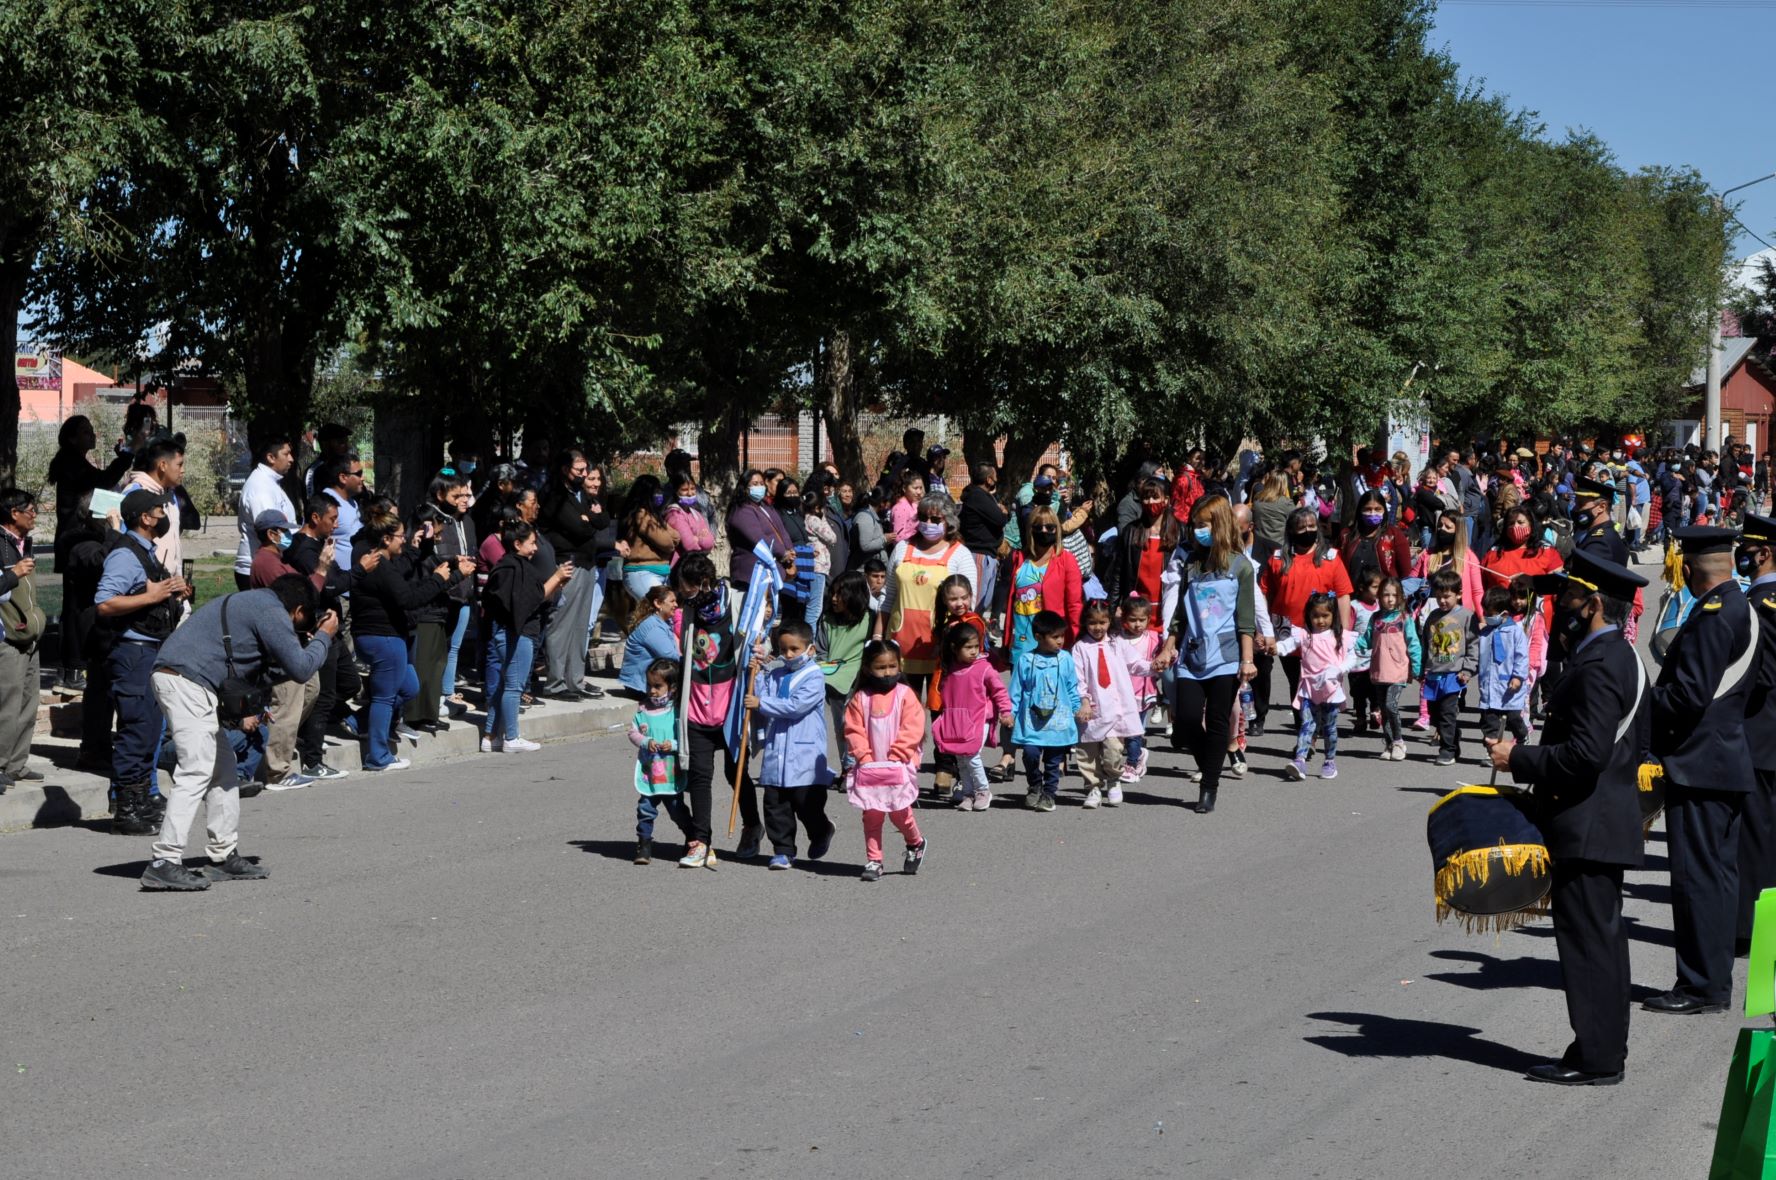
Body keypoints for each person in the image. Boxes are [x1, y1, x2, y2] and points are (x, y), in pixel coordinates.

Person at [1485, 549, 1650, 1085]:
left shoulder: (1600, 665)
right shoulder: (1617, 655)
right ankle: (1598, 1047)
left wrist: (1519, 759)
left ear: (1594, 604)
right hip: (1599, 819)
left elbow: (1586, 755)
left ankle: (1598, 1058)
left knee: (1588, 945)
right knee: (1599, 942)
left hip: (1587, 823)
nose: (1562, 607)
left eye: (1570, 596)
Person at [139, 576, 337, 891]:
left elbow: (275, 669)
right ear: (298, 610)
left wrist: (303, 646)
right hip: (187, 681)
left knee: (223, 769)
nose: (297, 629)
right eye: (302, 621)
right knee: (196, 769)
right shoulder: (271, 611)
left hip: (184, 679)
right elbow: (301, 669)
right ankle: (164, 861)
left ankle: (222, 856)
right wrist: (324, 637)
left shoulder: (256, 603)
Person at [1644, 526, 1759, 1016]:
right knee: (1717, 878)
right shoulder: (1739, 605)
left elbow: (1688, 695)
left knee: (1697, 881)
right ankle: (1709, 980)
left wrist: (1641, 704)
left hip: (1700, 766)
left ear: (1689, 569)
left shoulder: (1714, 615)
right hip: (1721, 760)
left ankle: (1702, 986)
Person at [93, 489, 188, 833]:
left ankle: (142, 800)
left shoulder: (145, 552)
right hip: (133, 653)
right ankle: (126, 808)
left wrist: (170, 593)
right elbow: (105, 603)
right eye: (160, 511)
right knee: (136, 730)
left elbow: (147, 594)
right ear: (145, 518)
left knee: (149, 730)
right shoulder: (125, 554)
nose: (164, 516)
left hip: (151, 650)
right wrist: (152, 596)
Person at [1156, 494, 1257, 813]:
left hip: (1226, 657)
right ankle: (1211, 762)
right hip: (1192, 654)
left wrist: (1247, 660)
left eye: (1204, 524)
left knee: (1217, 721)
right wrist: (1169, 646)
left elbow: (1246, 619)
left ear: (1221, 524)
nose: (1198, 531)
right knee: (1186, 720)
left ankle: (1209, 787)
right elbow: (1180, 614)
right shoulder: (1191, 564)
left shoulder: (1241, 567)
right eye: (1195, 525)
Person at [352, 513, 465, 770]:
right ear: (386, 538)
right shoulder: (379, 565)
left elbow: (405, 582)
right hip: (383, 637)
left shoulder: (384, 562)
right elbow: (409, 599)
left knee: (409, 687)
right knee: (384, 698)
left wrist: (432, 562)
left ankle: (359, 721)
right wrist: (438, 579)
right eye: (400, 536)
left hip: (385, 636)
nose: (404, 540)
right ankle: (378, 756)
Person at [46, 414, 133, 690]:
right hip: (78, 542)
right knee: (78, 607)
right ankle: (74, 668)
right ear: (72, 438)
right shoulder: (72, 463)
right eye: (86, 432)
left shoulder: (73, 461)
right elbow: (103, 480)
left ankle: (68, 669)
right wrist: (125, 457)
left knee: (73, 606)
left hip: (72, 539)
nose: (92, 435)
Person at [246, 508, 330, 789]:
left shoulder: (278, 560)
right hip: (279, 644)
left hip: (294, 639)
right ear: (271, 534)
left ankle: (276, 743)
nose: (288, 536)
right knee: (286, 702)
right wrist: (321, 570)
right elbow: (299, 596)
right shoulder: (265, 563)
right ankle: (277, 771)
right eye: (283, 531)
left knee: (310, 689)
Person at [746, 620, 836, 870]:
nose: (788, 654)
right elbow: (763, 696)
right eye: (783, 649)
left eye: (794, 649)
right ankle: (783, 850)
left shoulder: (814, 676)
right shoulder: (776, 674)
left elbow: (795, 706)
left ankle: (821, 831)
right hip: (778, 752)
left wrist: (761, 703)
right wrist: (758, 673)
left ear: (810, 649)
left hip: (804, 755)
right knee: (776, 805)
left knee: (807, 805)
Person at [481, 522, 574, 754]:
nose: (535, 548)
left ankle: (490, 736)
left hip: (506, 633)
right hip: (517, 634)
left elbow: (532, 598)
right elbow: (533, 598)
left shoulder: (506, 566)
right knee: (514, 686)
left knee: (504, 685)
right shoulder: (515, 568)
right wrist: (557, 577)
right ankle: (512, 737)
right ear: (517, 544)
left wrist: (557, 582)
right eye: (531, 543)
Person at [844, 640, 929, 881]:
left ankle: (915, 842)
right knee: (871, 815)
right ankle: (874, 860)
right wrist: (863, 756)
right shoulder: (861, 698)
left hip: (898, 765)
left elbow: (913, 727)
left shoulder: (905, 695)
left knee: (900, 812)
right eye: (881, 668)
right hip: (870, 766)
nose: (888, 672)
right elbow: (853, 729)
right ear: (868, 668)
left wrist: (898, 754)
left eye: (892, 666)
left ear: (899, 665)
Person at [1263, 506, 1354, 712]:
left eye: (1312, 526)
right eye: (1302, 527)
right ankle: (1303, 725)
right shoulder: (1277, 559)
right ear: (1291, 531)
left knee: (1321, 680)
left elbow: (1343, 595)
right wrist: (1264, 628)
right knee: (1296, 682)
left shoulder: (1331, 558)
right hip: (1287, 631)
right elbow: (1265, 594)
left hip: (1322, 632)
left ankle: (1320, 722)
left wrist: (1344, 632)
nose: (1307, 531)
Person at [407, 473, 478, 731]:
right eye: (456, 495)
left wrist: (456, 565)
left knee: (437, 661)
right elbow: (431, 573)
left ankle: (430, 712)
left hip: (443, 607)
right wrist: (456, 571)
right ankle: (416, 715)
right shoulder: (420, 547)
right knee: (424, 664)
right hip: (428, 610)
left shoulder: (462, 523)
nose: (439, 533)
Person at [880, 495, 975, 681]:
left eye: (935, 519)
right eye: (923, 517)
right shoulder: (901, 548)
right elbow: (888, 596)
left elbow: (968, 606)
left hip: (943, 649)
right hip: (900, 648)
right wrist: (877, 636)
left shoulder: (961, 555)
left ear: (949, 521)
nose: (928, 523)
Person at [539, 452, 610, 699]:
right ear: (564, 469)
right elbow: (579, 528)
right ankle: (555, 683)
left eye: (585, 469)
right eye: (579, 470)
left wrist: (590, 518)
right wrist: (590, 520)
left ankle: (575, 680)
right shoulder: (556, 495)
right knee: (562, 624)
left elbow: (603, 520)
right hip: (567, 563)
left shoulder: (583, 494)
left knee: (580, 625)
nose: (584, 474)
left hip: (588, 564)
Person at [1737, 514, 1776, 954]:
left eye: (1745, 551)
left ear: (1764, 553)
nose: (1740, 558)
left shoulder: (1763, 604)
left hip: (1760, 734)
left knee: (1756, 841)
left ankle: (1752, 932)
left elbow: (1760, 675)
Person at [1009, 610, 1090, 812]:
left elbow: (1071, 687)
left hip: (1058, 721)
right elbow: (1016, 689)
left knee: (1053, 761)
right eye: (1055, 637)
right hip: (1032, 721)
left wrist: (1078, 709)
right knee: (1030, 754)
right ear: (1038, 637)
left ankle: (1049, 794)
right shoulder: (1026, 660)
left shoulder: (1065, 659)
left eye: (1062, 636)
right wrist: (1009, 712)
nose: (1060, 641)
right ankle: (1035, 785)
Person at [930, 622, 1011, 811]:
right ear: (954, 648)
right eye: (968, 647)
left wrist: (1005, 712)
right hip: (956, 721)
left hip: (979, 719)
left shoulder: (984, 668)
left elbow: (999, 691)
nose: (974, 651)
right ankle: (967, 793)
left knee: (972, 756)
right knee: (960, 760)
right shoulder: (949, 668)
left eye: (976, 646)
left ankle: (983, 790)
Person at [1071, 600, 1144, 809]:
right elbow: (1077, 679)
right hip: (1091, 709)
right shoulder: (1080, 648)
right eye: (1092, 623)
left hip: (1114, 709)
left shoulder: (1117, 643)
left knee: (1113, 750)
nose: (1098, 627)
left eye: (1102, 622)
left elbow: (1136, 664)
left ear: (1110, 621)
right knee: (1087, 753)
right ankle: (1093, 787)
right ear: (1085, 623)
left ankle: (1113, 779)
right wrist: (1084, 701)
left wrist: (1154, 665)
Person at [1276, 593, 1355, 780]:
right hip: (1309, 689)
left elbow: (1352, 658)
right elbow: (1287, 645)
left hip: (1331, 690)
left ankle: (1329, 761)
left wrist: (1339, 669)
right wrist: (1274, 647)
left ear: (1333, 615)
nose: (1320, 620)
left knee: (1329, 728)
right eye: (1315, 616)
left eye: (1325, 616)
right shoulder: (1304, 634)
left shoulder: (1341, 636)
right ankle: (1300, 760)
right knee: (1307, 725)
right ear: (1308, 616)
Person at [0, 489, 46, 791]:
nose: (35, 516)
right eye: (30, 510)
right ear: (13, 513)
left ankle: (16, 764)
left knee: (28, 703)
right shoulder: (0, 544)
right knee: (7, 705)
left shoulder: (22, 542)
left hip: (30, 638)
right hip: (8, 639)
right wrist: (13, 574)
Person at [629, 657, 691, 865]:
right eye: (649, 685)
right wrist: (645, 741)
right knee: (645, 810)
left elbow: (686, 738)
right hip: (649, 775)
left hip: (671, 775)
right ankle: (644, 844)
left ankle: (692, 839)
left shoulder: (677, 710)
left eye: (658, 686)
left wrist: (672, 745)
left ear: (672, 688)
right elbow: (633, 732)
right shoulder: (642, 710)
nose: (652, 691)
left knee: (677, 811)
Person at [1355, 576, 1421, 761]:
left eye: (1394, 595)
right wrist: (1352, 645)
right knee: (1383, 709)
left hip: (1398, 670)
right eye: (1386, 595)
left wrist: (1417, 667)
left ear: (1400, 597)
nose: (1390, 599)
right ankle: (1389, 743)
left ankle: (1399, 741)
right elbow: (1367, 639)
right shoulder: (1376, 618)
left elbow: (1413, 643)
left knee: (1391, 705)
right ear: (1379, 596)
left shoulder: (1404, 618)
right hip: (1379, 669)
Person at [1420, 567, 1478, 767]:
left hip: (1454, 675)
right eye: (1438, 597)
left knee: (1447, 714)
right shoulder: (1433, 616)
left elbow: (1473, 644)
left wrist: (1468, 669)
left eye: (1447, 597)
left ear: (1459, 594)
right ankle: (1453, 736)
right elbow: (1425, 644)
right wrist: (1421, 668)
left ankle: (1447, 750)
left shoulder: (1467, 616)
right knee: (1435, 715)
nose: (1442, 601)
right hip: (1433, 674)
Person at [1102, 476, 1177, 615]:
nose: (1150, 502)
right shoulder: (1131, 532)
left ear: (1166, 500)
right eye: (1146, 498)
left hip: (1168, 610)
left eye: (1155, 497)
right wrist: (1111, 610)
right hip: (1137, 612)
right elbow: (1119, 573)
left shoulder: (1179, 532)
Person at [235, 436, 296, 590]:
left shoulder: (270, 482)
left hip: (270, 563)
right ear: (271, 457)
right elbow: (269, 531)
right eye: (286, 454)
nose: (291, 459)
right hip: (259, 568)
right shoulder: (260, 487)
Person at [726, 468, 793, 599]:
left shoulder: (765, 506)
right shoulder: (742, 510)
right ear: (745, 488)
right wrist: (782, 552)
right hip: (750, 574)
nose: (759, 487)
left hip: (770, 574)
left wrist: (789, 549)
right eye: (755, 484)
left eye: (761, 483)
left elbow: (781, 530)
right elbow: (759, 539)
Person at [1116, 596, 1163, 784]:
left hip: (1141, 694)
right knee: (1120, 732)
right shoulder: (1117, 638)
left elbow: (1166, 654)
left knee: (1134, 732)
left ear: (1149, 619)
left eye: (1142, 620)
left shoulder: (1153, 638)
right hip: (1119, 694)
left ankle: (1132, 764)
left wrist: (1170, 656)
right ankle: (1139, 754)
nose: (1137, 624)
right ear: (1124, 619)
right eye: (1133, 619)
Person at [1476, 585, 1530, 744]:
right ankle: (1491, 748)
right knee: (1489, 720)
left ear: (1504, 613)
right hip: (1489, 685)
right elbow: (1477, 655)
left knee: (1513, 718)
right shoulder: (1485, 633)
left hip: (1509, 686)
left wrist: (1518, 676)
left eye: (1489, 614)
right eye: (1485, 612)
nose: (1486, 616)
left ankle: (1522, 737)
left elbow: (1522, 657)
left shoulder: (1516, 632)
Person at [619, 474, 680, 600]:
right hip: (642, 573)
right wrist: (668, 537)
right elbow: (667, 543)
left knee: (660, 610)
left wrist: (667, 534)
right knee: (657, 608)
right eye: (656, 491)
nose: (659, 495)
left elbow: (676, 536)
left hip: (659, 573)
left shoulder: (654, 516)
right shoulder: (641, 515)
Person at [959, 463, 1008, 615]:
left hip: (988, 554)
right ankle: (971, 627)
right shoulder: (978, 496)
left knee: (984, 601)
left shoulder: (983, 496)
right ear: (989, 479)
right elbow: (1000, 519)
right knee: (976, 602)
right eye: (995, 476)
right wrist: (1004, 512)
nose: (997, 479)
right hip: (980, 554)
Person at [1336, 490, 1411, 586]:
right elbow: (1336, 567)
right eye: (1368, 509)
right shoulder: (1346, 535)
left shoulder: (1395, 535)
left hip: (1385, 593)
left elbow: (1406, 573)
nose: (1372, 513)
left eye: (1378, 509)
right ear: (1360, 510)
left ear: (1384, 510)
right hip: (1352, 593)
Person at [619, 586, 680, 695]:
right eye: (672, 601)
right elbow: (671, 656)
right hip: (640, 687)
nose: (676, 605)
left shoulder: (662, 623)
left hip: (650, 682)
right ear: (658, 603)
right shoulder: (652, 627)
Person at [664, 471, 715, 563]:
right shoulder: (675, 514)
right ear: (676, 491)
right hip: (681, 566)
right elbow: (690, 546)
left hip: (697, 564)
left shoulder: (696, 513)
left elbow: (710, 542)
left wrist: (697, 539)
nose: (690, 493)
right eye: (684, 490)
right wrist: (701, 539)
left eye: (692, 489)